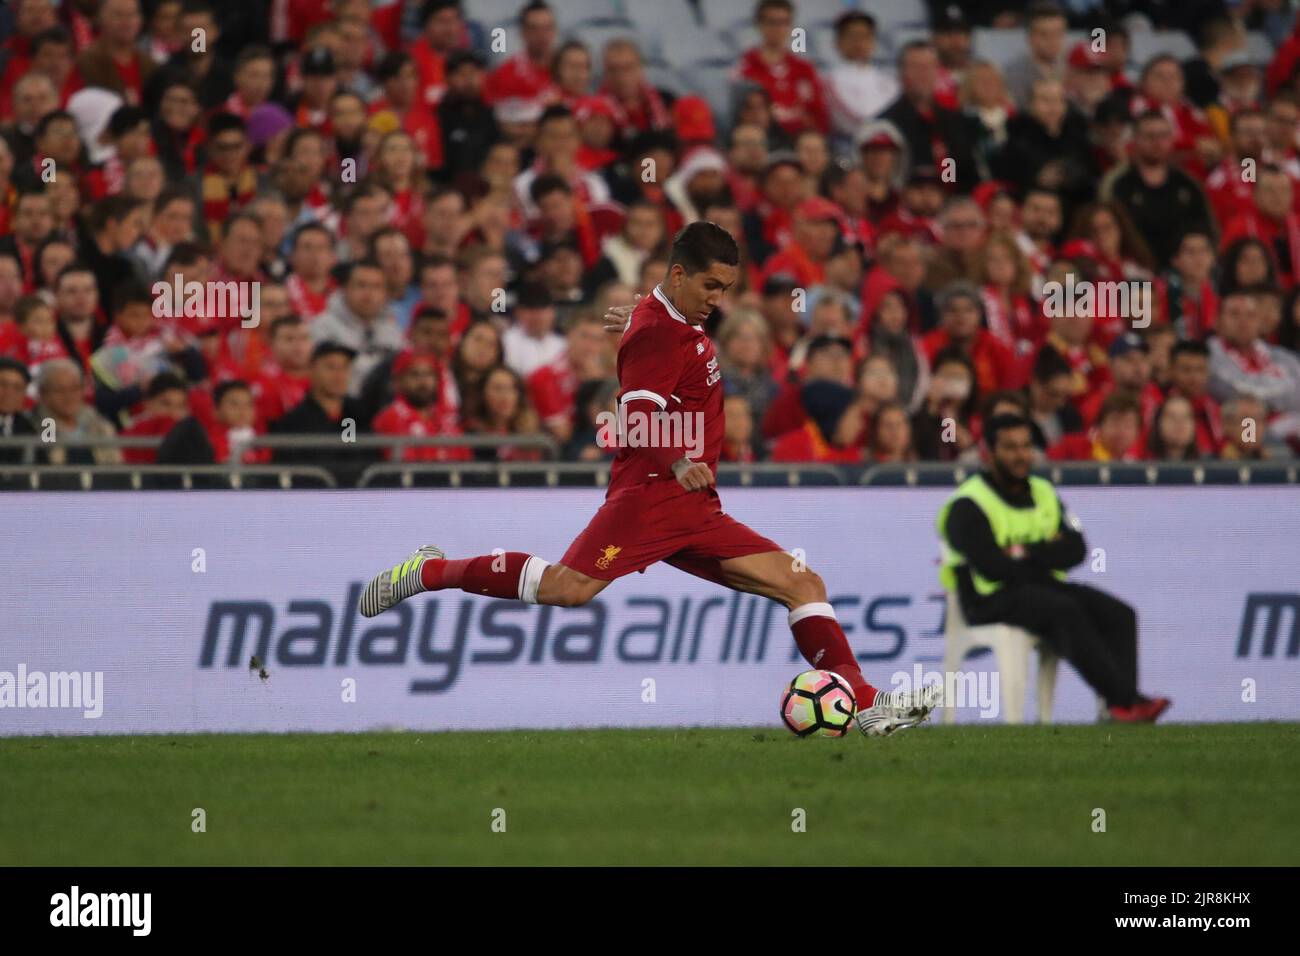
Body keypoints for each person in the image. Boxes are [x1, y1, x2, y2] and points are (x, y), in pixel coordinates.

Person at [356, 222, 942, 737]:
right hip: (654, 497)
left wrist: (646, 311)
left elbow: (656, 327)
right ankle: (429, 570)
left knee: (803, 584)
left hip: (696, 507)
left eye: (727, 289)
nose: (719, 299)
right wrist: (680, 459)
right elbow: (635, 418)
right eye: (711, 286)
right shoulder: (658, 331)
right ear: (681, 274)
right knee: (568, 589)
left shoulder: (663, 317)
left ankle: (866, 705)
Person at [937, 413, 1171, 722]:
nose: (1020, 456)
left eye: (1025, 447)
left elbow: (1076, 549)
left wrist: (1023, 553)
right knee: (1063, 609)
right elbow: (992, 566)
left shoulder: (1044, 491)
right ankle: (1126, 702)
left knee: (1120, 614)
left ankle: (1119, 707)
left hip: (1039, 586)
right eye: (1010, 448)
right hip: (986, 599)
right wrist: (1044, 552)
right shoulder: (968, 504)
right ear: (988, 453)